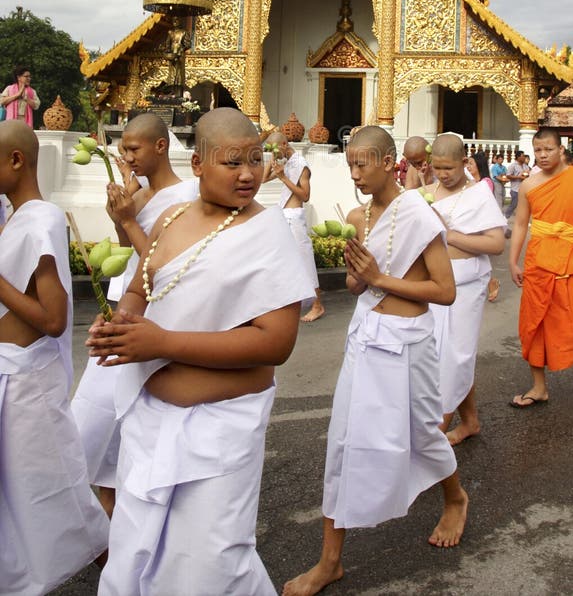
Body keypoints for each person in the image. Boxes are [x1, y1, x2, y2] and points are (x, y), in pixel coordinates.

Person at [87, 108, 314, 595]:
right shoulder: (171, 218)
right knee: (136, 556)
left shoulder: (268, 231)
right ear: (198, 164)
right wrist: (119, 324)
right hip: (150, 422)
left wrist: (162, 342)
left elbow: (276, 342)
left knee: (210, 567)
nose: (248, 174)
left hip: (219, 430)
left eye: (255, 160)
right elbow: (141, 288)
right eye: (233, 162)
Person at [283, 126, 468, 596]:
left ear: (389, 163)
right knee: (343, 442)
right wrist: (361, 275)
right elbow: (354, 287)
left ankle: (456, 498)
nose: (355, 173)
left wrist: (380, 277)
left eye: (362, 164)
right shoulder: (357, 217)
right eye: (349, 164)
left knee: (423, 432)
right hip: (367, 338)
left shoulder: (419, 214)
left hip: (409, 343)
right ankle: (330, 561)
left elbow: (444, 291)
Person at [71, 112, 198, 517]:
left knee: (127, 418)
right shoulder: (139, 196)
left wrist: (127, 218)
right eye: (123, 149)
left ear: (160, 146)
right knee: (95, 419)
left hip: (156, 313)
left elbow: (162, 266)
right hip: (125, 305)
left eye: (133, 148)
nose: (126, 157)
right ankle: (107, 517)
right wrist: (120, 218)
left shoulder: (186, 197)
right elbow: (128, 249)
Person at [0, 120, 109, 593]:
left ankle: (125, 578)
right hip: (11, 374)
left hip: (28, 384)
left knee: (62, 492)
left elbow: (53, 318)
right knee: (20, 494)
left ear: (16, 161)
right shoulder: (14, 218)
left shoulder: (41, 219)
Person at [509, 127, 573, 406]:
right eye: (538, 150)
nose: (543, 155)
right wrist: (513, 261)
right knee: (534, 322)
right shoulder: (529, 185)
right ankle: (539, 387)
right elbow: (521, 224)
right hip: (539, 260)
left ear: (561, 150)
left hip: (572, 259)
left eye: (548, 149)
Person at [427, 134, 506, 444]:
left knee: (456, 357)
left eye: (448, 168)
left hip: (468, 285)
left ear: (464, 162)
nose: (443, 174)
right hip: (433, 284)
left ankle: (433, 438)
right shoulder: (426, 192)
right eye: (437, 168)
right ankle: (470, 421)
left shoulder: (479, 194)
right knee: (439, 356)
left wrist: (451, 236)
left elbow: (496, 244)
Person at [262, 130, 322, 321]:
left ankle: (317, 305)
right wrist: (272, 159)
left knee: (305, 260)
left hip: (295, 217)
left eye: (276, 150)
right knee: (282, 260)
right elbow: (263, 179)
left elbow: (305, 196)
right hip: (283, 215)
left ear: (285, 145)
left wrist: (283, 178)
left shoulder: (301, 165)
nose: (275, 155)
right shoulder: (286, 163)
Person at [466, 152, 501, 302]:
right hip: (470, 222)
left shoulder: (486, 181)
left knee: (479, 256)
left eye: (471, 164)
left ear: (479, 165)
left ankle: (490, 281)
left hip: (481, 223)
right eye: (467, 163)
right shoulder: (470, 181)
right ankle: (489, 281)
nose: (468, 166)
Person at [504, 150, 530, 230]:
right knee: (513, 205)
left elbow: (528, 174)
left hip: (524, 189)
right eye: (522, 156)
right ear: (518, 157)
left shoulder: (525, 166)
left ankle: (524, 221)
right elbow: (508, 175)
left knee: (524, 206)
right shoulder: (513, 166)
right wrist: (519, 177)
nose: (524, 157)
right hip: (515, 189)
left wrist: (527, 175)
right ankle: (505, 218)